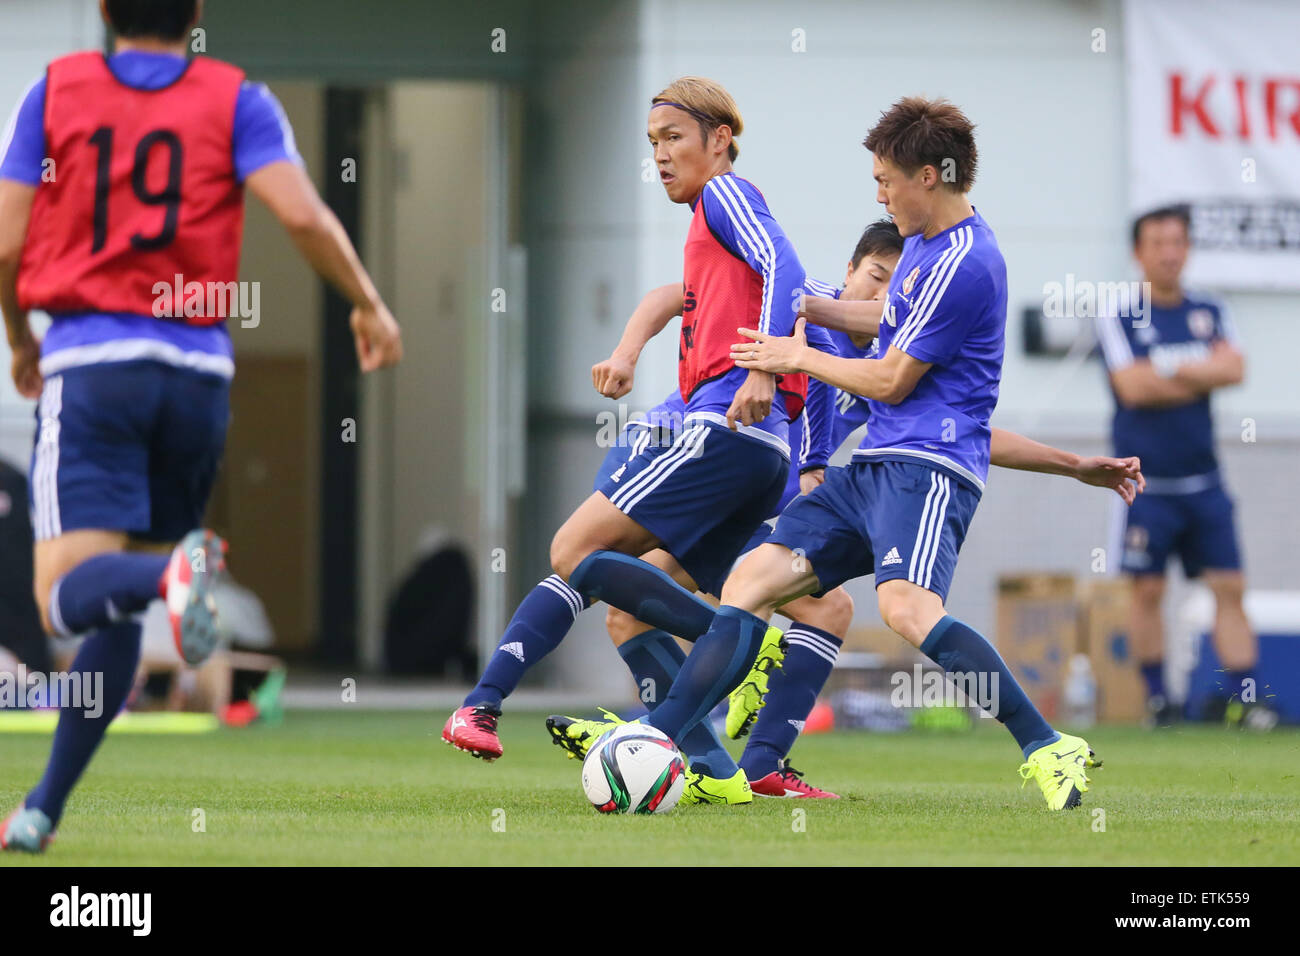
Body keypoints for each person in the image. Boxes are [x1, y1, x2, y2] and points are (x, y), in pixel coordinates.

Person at [548, 96, 1110, 811]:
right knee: (750, 581)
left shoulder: (967, 260)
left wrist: (796, 354)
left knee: (905, 610)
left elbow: (892, 375)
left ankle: (1043, 744)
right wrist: (806, 307)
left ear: (931, 176)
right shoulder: (927, 254)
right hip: (871, 469)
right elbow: (882, 318)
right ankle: (660, 740)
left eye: (887, 179)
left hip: (927, 474)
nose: (878, 193)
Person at [0, 0, 401, 853]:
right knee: (116, 607)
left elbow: (5, 242)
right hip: (197, 378)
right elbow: (300, 215)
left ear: (105, 9)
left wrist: (19, 335)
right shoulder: (238, 98)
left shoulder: (54, 92)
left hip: (93, 366)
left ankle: (170, 584)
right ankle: (42, 808)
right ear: (197, 13)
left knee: (62, 599)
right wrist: (367, 304)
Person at [443, 76, 813, 806]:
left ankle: (743, 639)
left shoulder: (727, 195)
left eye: (674, 138)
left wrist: (766, 365)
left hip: (721, 429)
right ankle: (708, 762)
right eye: (652, 144)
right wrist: (628, 351)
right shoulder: (708, 230)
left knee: (573, 552)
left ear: (720, 140)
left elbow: (786, 268)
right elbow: (674, 296)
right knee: (628, 609)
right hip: (755, 451)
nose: (662, 156)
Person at [1096, 205, 1273, 729]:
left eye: (1178, 242)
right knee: (1148, 590)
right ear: (1138, 252)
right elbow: (1131, 386)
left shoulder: (1211, 309)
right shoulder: (1119, 313)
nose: (1170, 253)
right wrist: (1200, 370)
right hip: (1144, 484)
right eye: (1158, 243)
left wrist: (1165, 369)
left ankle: (1242, 699)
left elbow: (1235, 367)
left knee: (1229, 586)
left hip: (1205, 482)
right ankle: (1159, 701)